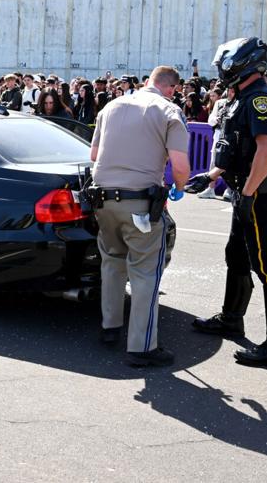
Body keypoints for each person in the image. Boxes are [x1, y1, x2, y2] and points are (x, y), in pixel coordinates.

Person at [186, 37, 267, 366]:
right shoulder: (242, 98)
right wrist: (212, 175)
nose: (220, 72)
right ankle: (232, 318)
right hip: (245, 190)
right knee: (237, 255)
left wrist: (247, 194)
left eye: (224, 66)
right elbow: (237, 148)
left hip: (259, 194)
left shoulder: (262, 99)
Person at [89, 66, 190, 367]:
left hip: (103, 198)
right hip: (140, 201)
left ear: (148, 82)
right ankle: (142, 347)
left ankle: (110, 328)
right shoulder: (169, 110)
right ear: (171, 88)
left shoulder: (111, 105)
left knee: (112, 262)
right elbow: (181, 165)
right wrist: (180, 186)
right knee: (145, 272)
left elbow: (94, 155)